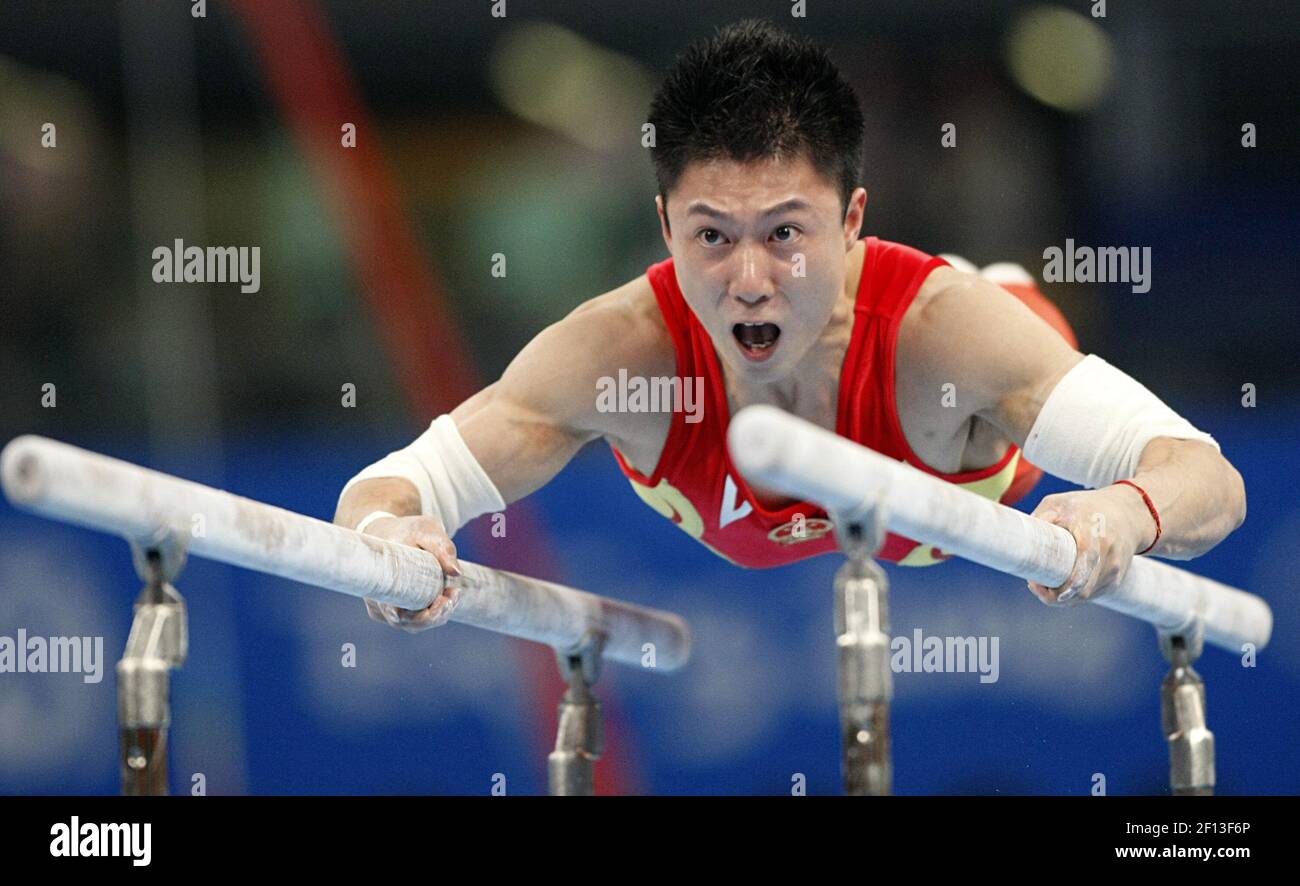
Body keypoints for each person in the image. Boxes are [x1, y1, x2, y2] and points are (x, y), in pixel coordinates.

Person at [334, 19, 1244, 632]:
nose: (749, 281)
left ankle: (996, 276)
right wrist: (391, 537)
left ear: (851, 222)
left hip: (974, 371)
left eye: (784, 234)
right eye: (711, 237)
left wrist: (1124, 511)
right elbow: (389, 487)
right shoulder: (621, 353)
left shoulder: (944, 339)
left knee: (992, 313)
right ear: (663, 229)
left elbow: (1208, 477)